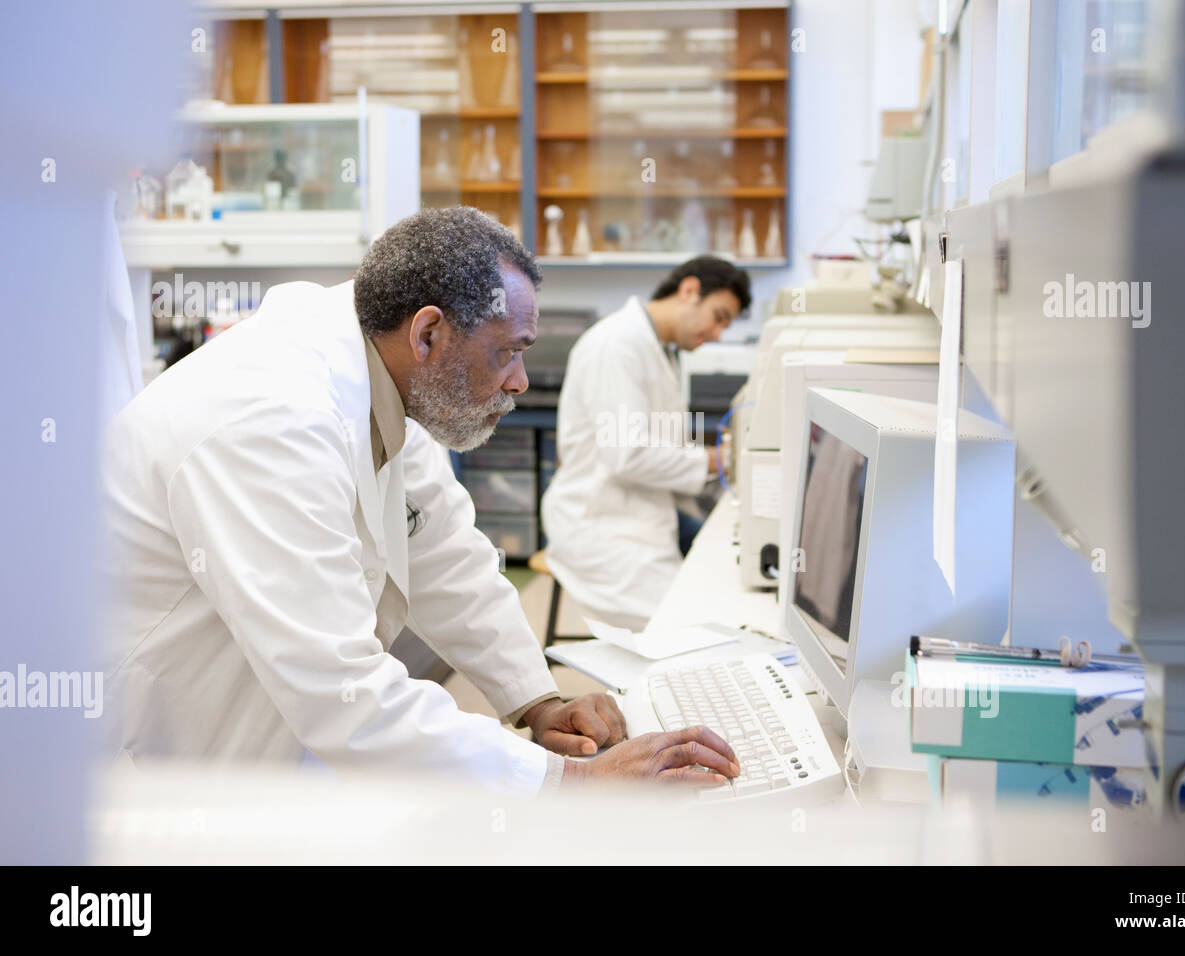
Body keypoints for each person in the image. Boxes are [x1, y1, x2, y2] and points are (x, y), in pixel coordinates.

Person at [100, 207, 738, 794]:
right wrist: (567, 780)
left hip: (261, 741)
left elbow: (444, 551)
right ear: (429, 332)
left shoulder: (386, 373)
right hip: (138, 757)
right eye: (508, 352)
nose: (518, 380)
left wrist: (539, 699)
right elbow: (340, 691)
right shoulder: (272, 421)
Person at [541, 256, 751, 630]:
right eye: (719, 316)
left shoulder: (659, 348)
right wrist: (718, 460)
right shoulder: (617, 344)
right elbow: (629, 455)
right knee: (692, 628)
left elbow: (661, 447)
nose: (718, 333)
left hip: (646, 511)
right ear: (689, 291)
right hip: (603, 526)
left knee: (733, 569)